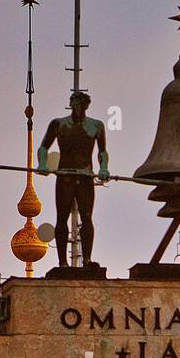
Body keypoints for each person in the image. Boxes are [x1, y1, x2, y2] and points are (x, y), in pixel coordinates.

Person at [38, 92, 109, 267]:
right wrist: (42, 164)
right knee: (62, 217)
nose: (77, 107)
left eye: (80, 104)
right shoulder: (59, 124)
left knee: (87, 217)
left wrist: (104, 168)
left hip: (85, 176)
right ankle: (63, 262)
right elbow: (43, 147)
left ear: (86, 105)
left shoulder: (96, 126)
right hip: (65, 176)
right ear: (70, 104)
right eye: (74, 103)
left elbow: (102, 151)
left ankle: (86, 259)